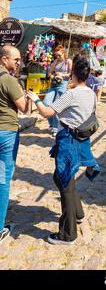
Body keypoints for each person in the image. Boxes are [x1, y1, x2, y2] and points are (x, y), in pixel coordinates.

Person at [27, 56, 100, 245]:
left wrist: (36, 99)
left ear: (74, 74)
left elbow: (47, 113)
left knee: (65, 182)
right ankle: (78, 213)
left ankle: (68, 234)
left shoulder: (72, 94)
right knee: (61, 178)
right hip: (82, 139)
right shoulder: (91, 93)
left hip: (68, 140)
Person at [0, 45, 30, 245]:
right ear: (4, 59)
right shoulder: (8, 80)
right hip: (6, 133)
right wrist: (29, 96)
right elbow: (24, 108)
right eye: (16, 59)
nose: (19, 63)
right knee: (3, 179)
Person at [43, 45, 72, 136]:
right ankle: (51, 124)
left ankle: (56, 127)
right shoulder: (56, 61)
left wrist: (62, 75)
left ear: (64, 53)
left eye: (59, 55)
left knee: (57, 106)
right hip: (54, 83)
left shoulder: (68, 61)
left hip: (63, 84)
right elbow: (50, 72)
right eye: (56, 55)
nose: (58, 57)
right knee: (46, 103)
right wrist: (53, 76)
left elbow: (70, 74)